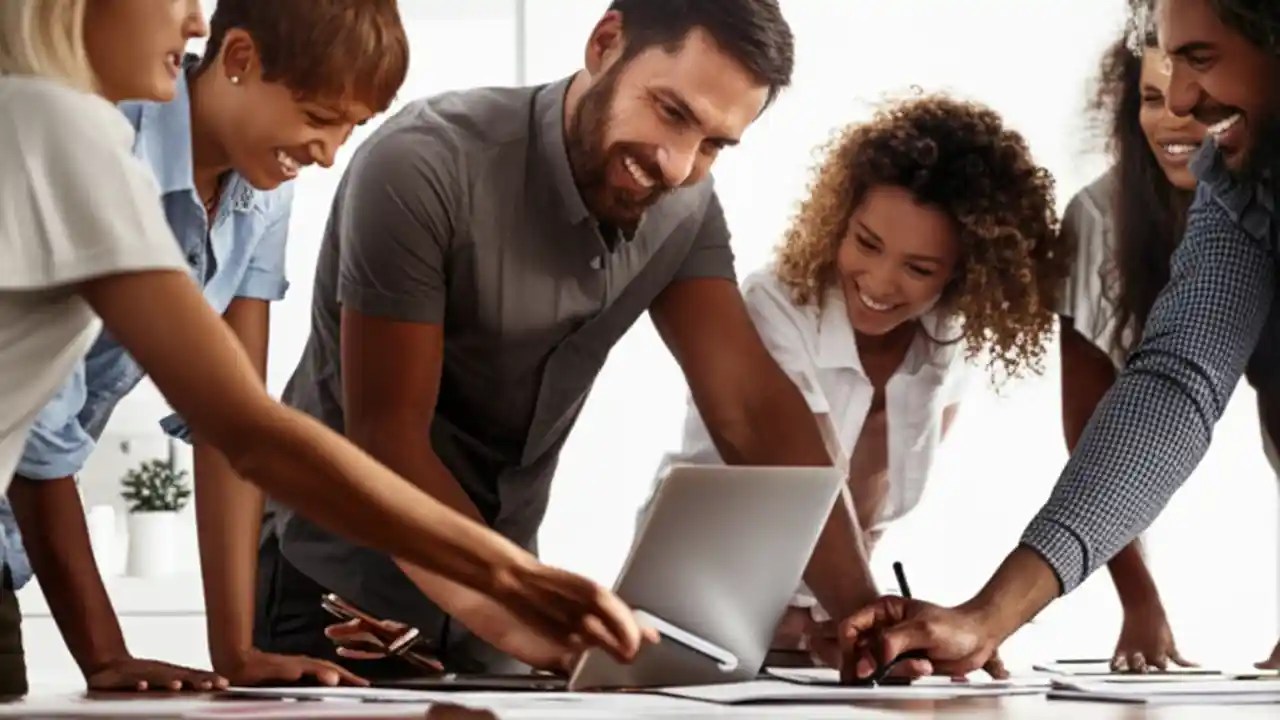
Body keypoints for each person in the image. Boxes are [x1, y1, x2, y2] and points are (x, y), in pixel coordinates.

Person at [0, 0, 648, 696]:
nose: (195, 22)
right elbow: (249, 433)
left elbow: (231, 422)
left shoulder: (230, 185)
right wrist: (506, 574)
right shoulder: (64, 131)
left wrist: (235, 651)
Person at [267, 0, 875, 677]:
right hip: (338, 594)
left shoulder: (685, 209)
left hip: (505, 606)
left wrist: (864, 616)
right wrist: (528, 612)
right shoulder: (423, 164)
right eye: (671, 112)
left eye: (713, 144)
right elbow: (387, 439)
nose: (677, 165)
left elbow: (751, 410)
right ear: (605, 43)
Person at [840, 0, 1280, 682]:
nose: (1182, 101)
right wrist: (986, 618)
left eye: (1200, 58)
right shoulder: (1239, 187)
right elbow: (1176, 385)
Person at [0, 0, 421, 690]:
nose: (328, 154)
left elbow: (231, 425)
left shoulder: (262, 193)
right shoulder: (97, 137)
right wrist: (104, 654)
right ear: (241, 60)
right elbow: (42, 435)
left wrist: (237, 652)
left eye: (351, 128)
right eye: (318, 117)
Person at [645, 93, 1065, 671]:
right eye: (867, 243)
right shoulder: (777, 306)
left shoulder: (948, 345)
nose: (880, 283)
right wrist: (872, 619)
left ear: (964, 273)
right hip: (691, 618)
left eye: (919, 268)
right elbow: (801, 476)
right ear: (840, 219)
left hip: (817, 643)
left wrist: (910, 631)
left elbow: (862, 530)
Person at [1056, 36, 1208, 673]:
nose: (1173, 119)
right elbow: (1097, 430)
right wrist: (1139, 599)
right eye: (1152, 98)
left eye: (1199, 101)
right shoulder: (1098, 219)